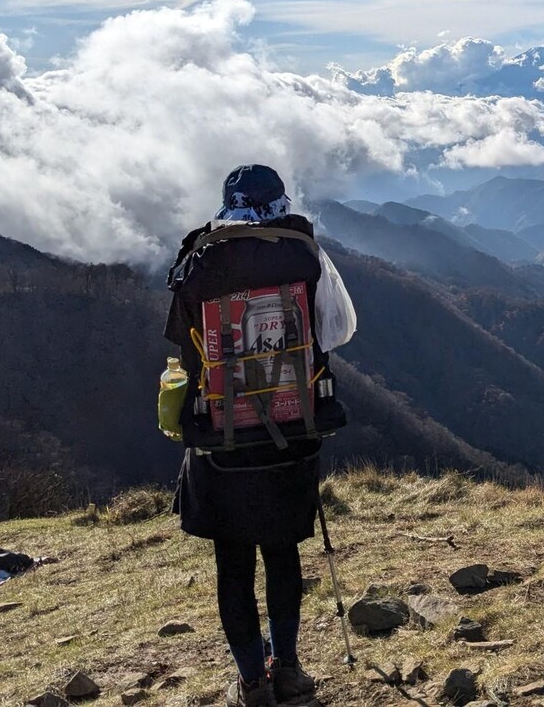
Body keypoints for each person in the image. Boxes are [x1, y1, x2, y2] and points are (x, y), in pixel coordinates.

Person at [164, 165, 357, 707]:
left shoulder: (200, 260)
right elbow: (336, 331)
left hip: (223, 440)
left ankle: (252, 681)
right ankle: (289, 668)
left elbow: (184, 348)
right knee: (282, 552)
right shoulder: (303, 251)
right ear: (280, 200)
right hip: (293, 433)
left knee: (233, 561)